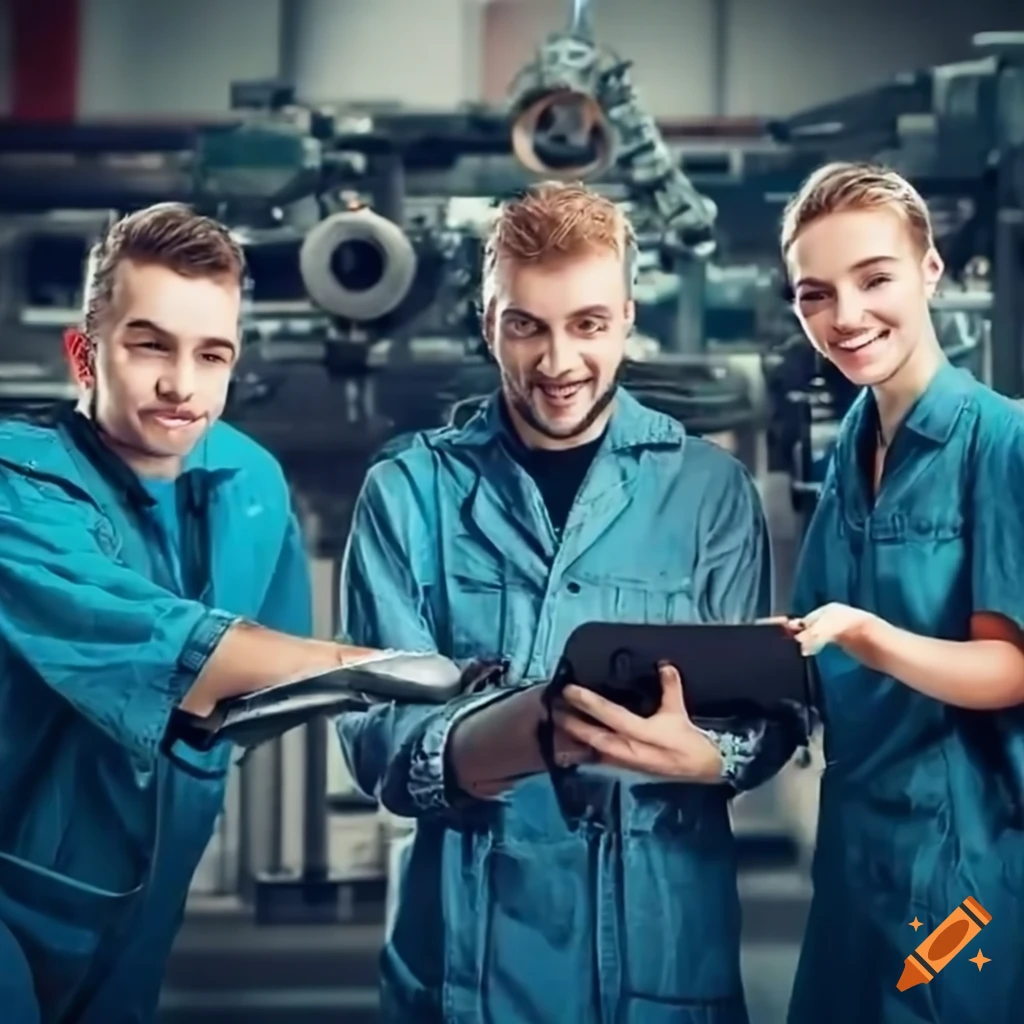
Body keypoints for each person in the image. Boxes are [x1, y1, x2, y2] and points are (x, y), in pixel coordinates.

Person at [336, 182, 802, 1024]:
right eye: (527, 326)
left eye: (587, 324)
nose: (558, 363)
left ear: (626, 319)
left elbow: (762, 719)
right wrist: (508, 736)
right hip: (466, 959)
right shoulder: (409, 495)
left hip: (658, 951)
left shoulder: (711, 494)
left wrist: (709, 758)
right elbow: (375, 740)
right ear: (489, 325)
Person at [0, 203, 380, 1024]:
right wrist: (372, 667)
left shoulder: (250, 483)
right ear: (83, 355)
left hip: (144, 906)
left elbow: (258, 690)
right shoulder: (15, 487)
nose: (182, 384)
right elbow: (167, 645)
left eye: (212, 354)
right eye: (150, 345)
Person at [781, 162, 1024, 1024]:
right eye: (815, 295)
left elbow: (1009, 665)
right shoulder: (852, 445)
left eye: (873, 278)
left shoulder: (1001, 441)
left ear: (929, 271)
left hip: (962, 864)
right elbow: (807, 638)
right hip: (854, 852)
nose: (845, 317)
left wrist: (865, 636)